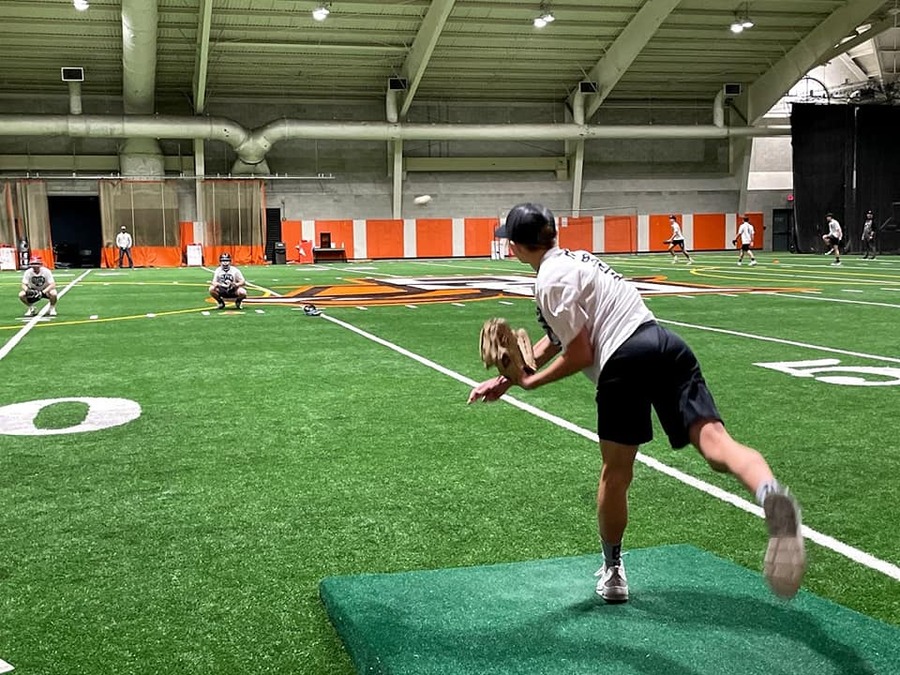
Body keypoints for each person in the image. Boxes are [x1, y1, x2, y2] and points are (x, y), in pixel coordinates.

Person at [467, 202, 805, 604]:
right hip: (663, 344)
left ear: (516, 247)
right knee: (717, 445)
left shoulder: (548, 282)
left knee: (616, 473)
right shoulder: (578, 261)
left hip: (621, 363)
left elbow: (579, 352)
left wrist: (532, 382)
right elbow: (559, 338)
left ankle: (613, 571)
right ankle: (770, 495)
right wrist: (509, 379)